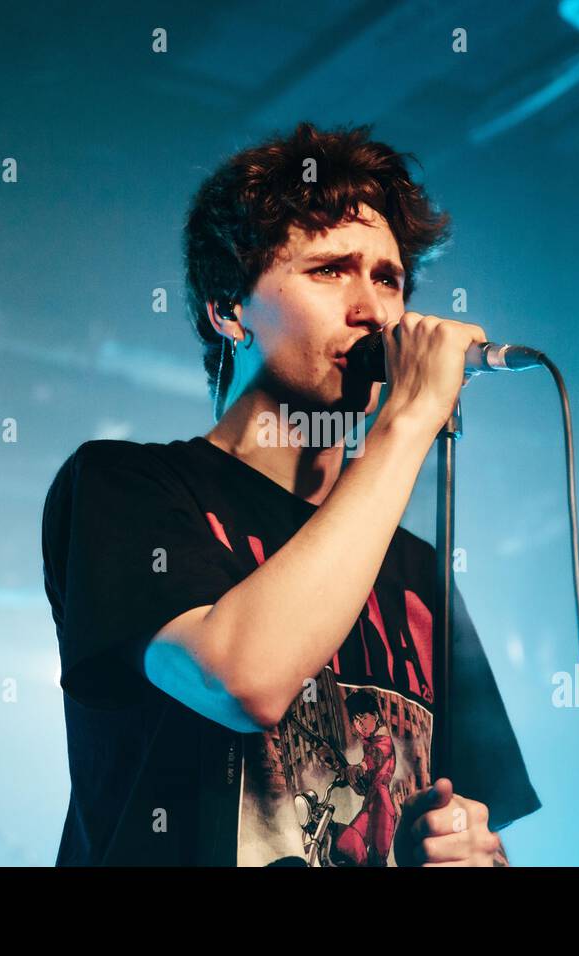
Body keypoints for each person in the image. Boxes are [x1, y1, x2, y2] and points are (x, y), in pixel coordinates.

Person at [42, 121, 541, 866]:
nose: (372, 309)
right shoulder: (124, 486)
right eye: (330, 270)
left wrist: (477, 853)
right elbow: (244, 680)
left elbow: (463, 822)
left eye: (389, 278)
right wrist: (404, 424)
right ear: (228, 308)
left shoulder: (414, 569)